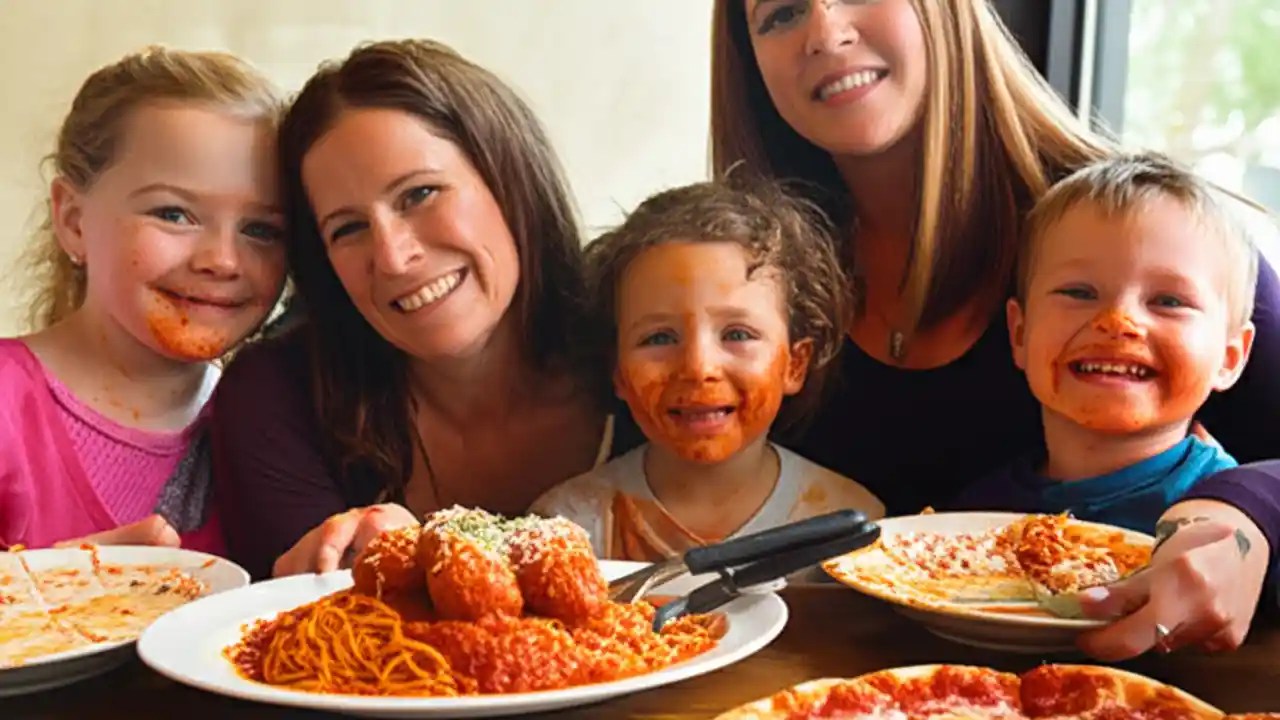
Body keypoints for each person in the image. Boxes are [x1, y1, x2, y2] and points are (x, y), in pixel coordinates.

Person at [710, 0, 1280, 659]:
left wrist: (1246, 517)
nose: (824, 32)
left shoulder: (1147, 231)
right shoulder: (746, 278)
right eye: (780, 13)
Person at [211, 39, 641, 580]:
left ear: (510, 179)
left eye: (420, 194)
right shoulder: (276, 397)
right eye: (348, 228)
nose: (393, 257)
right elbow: (313, 621)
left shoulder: (649, 346)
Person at [0, 46, 287, 553]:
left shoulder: (274, 426)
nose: (223, 261)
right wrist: (35, 590)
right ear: (73, 221)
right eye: (173, 214)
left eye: (260, 229)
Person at [531, 178, 884, 561]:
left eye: (737, 334)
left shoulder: (850, 524)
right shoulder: (567, 529)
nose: (699, 367)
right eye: (659, 338)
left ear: (794, 365)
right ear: (617, 371)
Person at [950, 153, 1255, 533]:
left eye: (1168, 301)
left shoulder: (1238, 526)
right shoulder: (971, 520)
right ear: (1020, 334)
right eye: (1079, 292)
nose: (1117, 321)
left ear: (1230, 357)